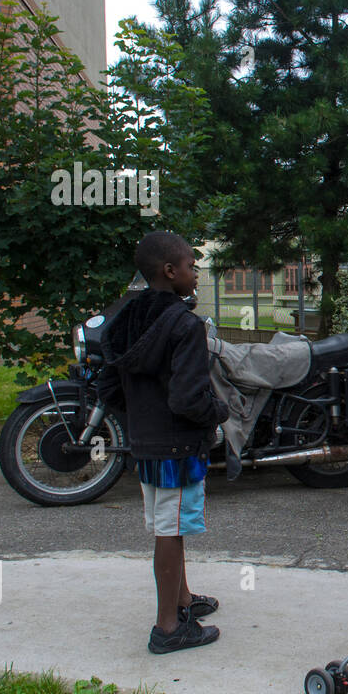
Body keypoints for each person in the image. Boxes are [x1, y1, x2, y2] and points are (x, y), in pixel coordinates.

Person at [97, 232, 229, 654]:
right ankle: (168, 628)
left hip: (146, 444)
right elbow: (188, 398)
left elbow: (109, 388)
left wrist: (140, 418)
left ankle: (184, 600)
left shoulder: (124, 320)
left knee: (167, 526)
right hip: (177, 449)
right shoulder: (185, 326)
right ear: (170, 272)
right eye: (192, 266)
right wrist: (220, 413)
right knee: (169, 533)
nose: (195, 273)